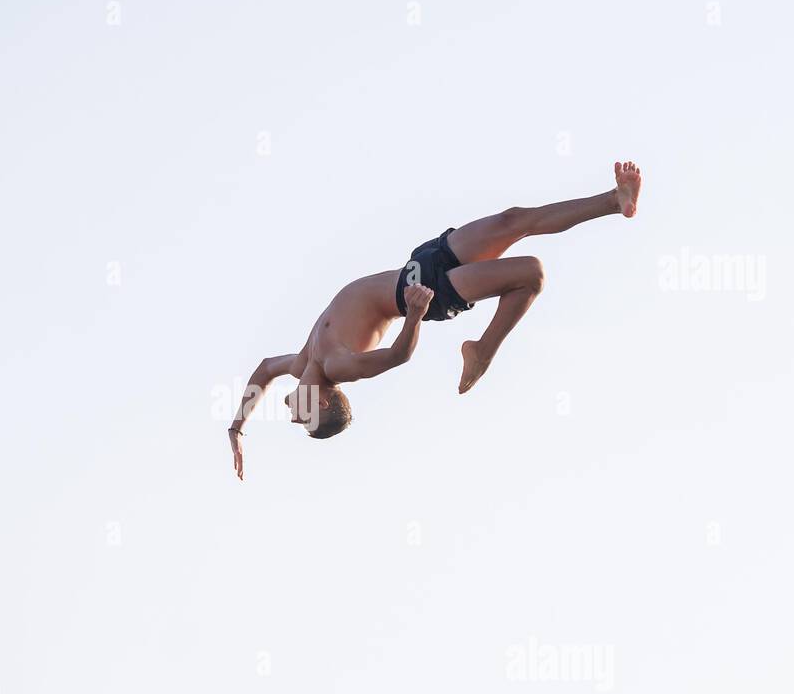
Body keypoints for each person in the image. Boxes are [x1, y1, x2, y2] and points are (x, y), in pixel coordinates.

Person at [227, 161, 643, 480]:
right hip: (426, 294)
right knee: (530, 273)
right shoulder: (339, 365)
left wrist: (237, 427)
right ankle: (482, 352)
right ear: (320, 401)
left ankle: (614, 199)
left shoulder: (300, 364)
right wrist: (416, 314)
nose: (293, 418)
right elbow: (396, 356)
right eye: (305, 422)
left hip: (416, 266)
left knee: (512, 220)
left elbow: (264, 369)